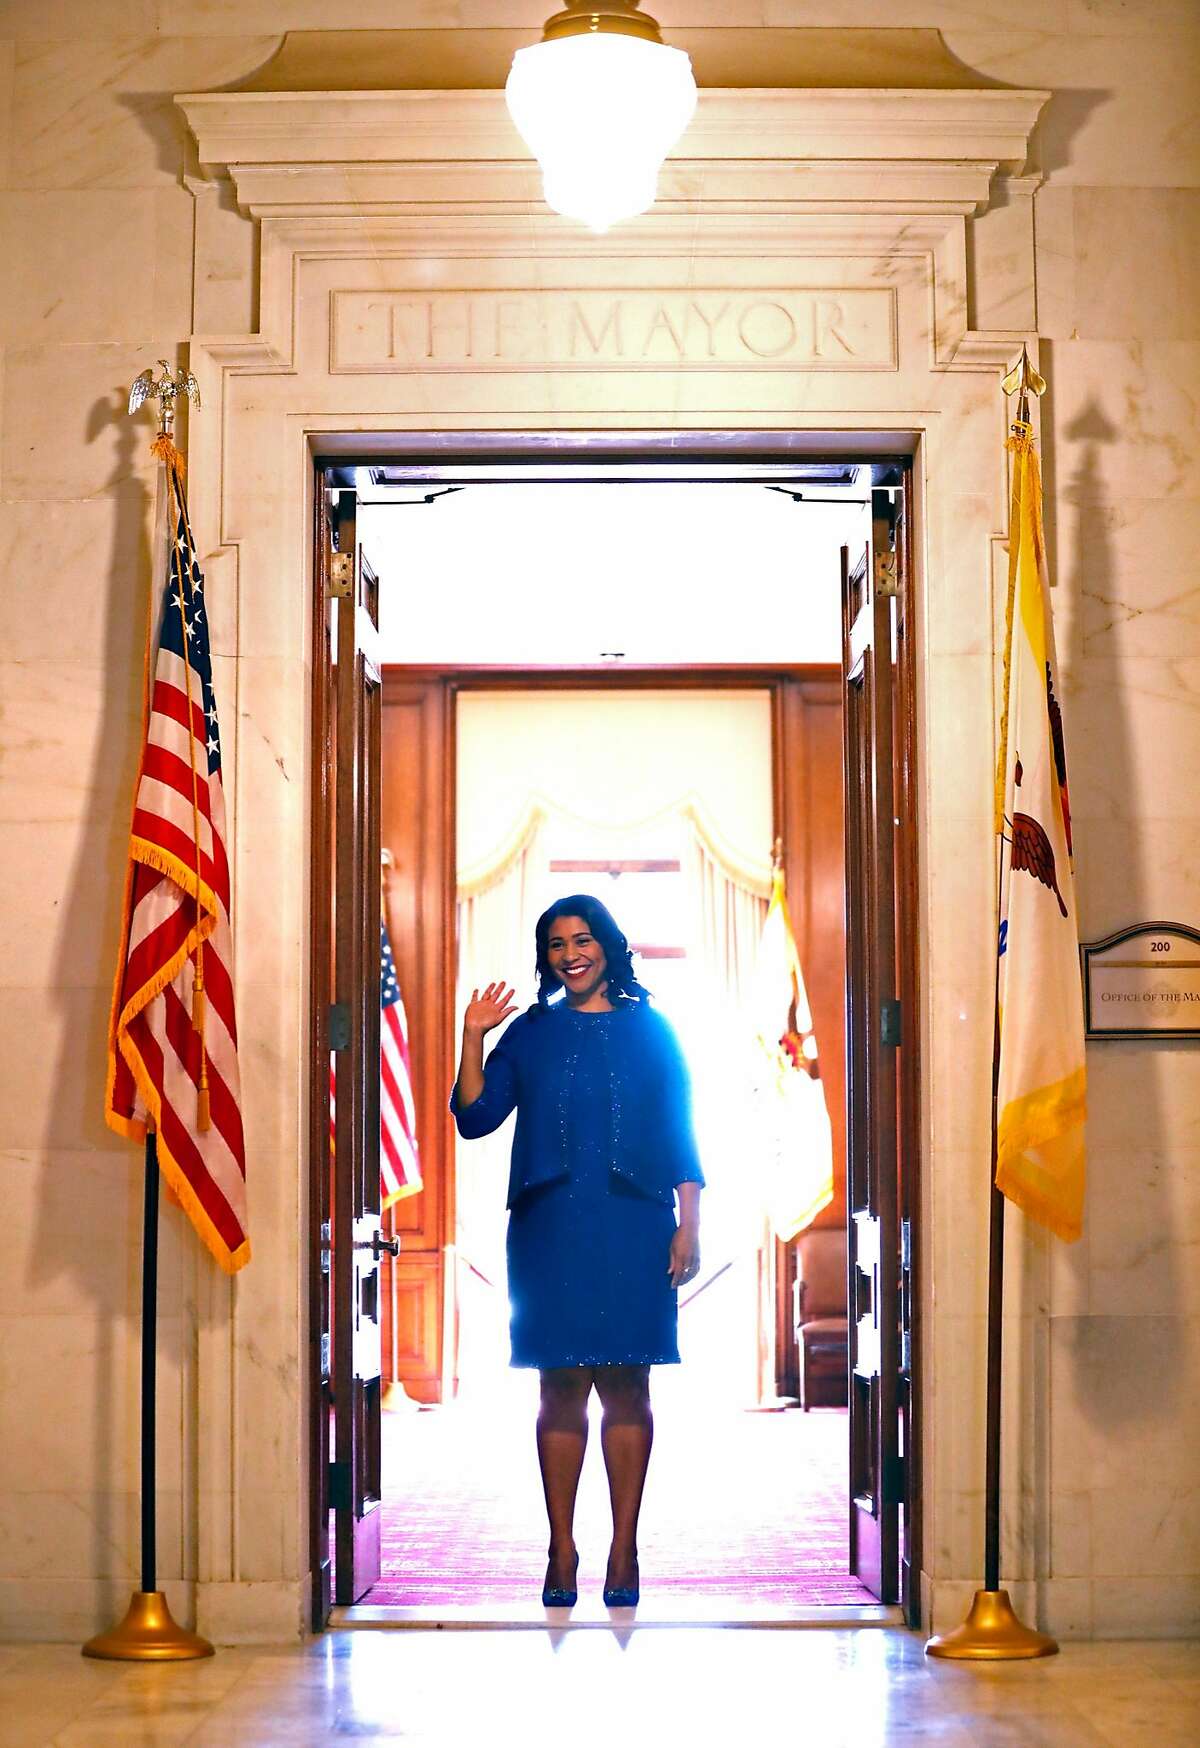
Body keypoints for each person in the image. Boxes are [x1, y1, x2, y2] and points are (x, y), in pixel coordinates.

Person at [451, 893, 704, 1609]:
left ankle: (624, 1546)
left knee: (628, 1387)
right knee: (558, 1388)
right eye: (557, 943)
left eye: (583, 938)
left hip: (635, 1223)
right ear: (547, 957)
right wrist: (474, 1036)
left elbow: (680, 1128)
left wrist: (690, 1222)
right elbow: (475, 1117)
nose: (571, 953)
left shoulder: (652, 1031)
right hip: (549, 1226)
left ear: (608, 945)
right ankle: (561, 1546)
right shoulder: (530, 1033)